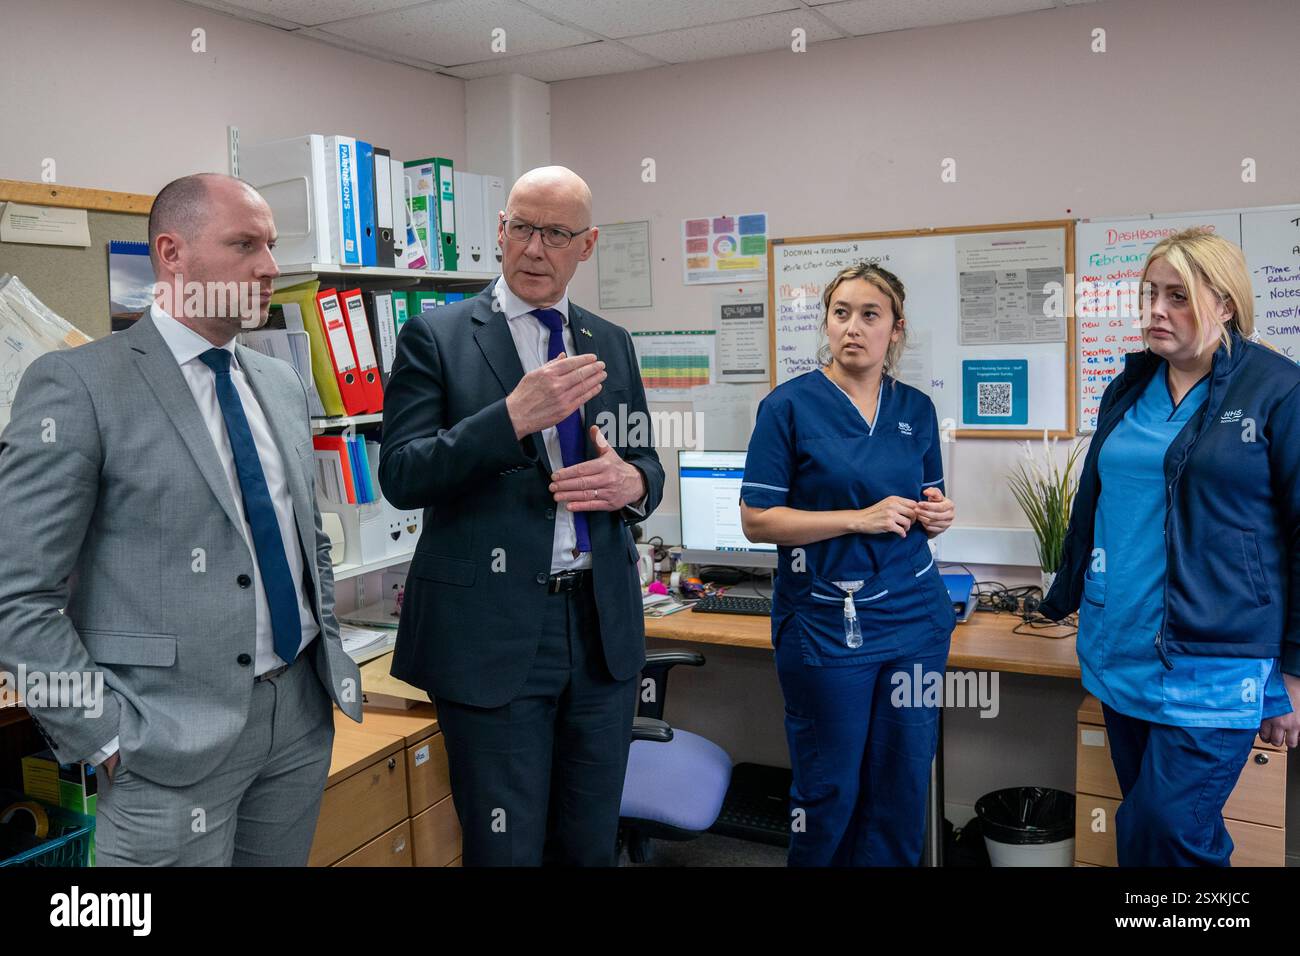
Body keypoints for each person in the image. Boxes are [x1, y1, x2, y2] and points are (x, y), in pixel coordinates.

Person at [0, 173, 362, 865]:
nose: (268, 266)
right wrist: (103, 737)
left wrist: (329, 659)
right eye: (244, 244)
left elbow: (306, 541)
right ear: (173, 252)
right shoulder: (80, 385)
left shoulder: (279, 383)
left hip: (298, 718)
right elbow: (16, 596)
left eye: (271, 245)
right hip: (163, 744)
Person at [379, 165, 664, 866]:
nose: (535, 249)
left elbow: (646, 469)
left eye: (557, 234)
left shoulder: (609, 341)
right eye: (522, 228)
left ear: (586, 246)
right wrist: (508, 418)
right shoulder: (436, 336)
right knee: (506, 849)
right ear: (501, 233)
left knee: (588, 844)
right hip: (493, 637)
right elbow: (403, 473)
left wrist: (631, 482)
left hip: (600, 629)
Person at [1041, 228, 1300, 866]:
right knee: (1162, 832)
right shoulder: (1130, 387)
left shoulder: (1277, 391)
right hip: (1121, 647)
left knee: (1164, 829)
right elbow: (1097, 507)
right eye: (1150, 293)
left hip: (1217, 664)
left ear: (1227, 304)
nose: (1156, 310)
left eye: (1178, 296)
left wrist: (1293, 672)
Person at [739, 263, 956, 866]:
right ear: (827, 323)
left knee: (903, 783)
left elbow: (927, 499)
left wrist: (936, 514)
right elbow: (758, 519)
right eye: (841, 313)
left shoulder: (915, 407)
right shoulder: (787, 408)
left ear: (896, 328)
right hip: (827, 622)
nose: (853, 328)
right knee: (830, 787)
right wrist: (856, 518)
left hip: (914, 617)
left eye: (869, 315)